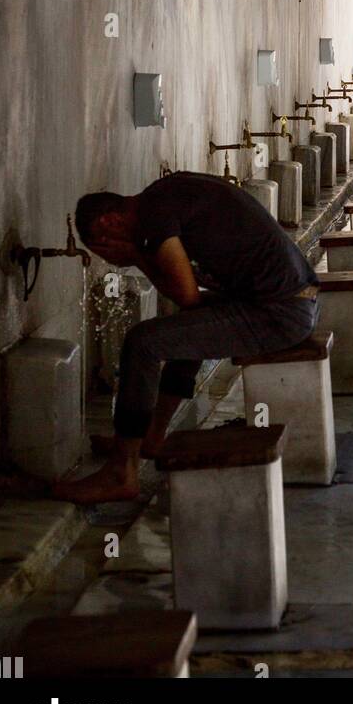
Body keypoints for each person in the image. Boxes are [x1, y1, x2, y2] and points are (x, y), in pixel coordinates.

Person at [51, 172, 320, 505]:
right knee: (186, 329)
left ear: (110, 222)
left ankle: (121, 472)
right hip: (292, 302)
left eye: (103, 249)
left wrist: (136, 256)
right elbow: (188, 297)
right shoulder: (163, 197)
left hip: (279, 313)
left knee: (143, 343)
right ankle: (151, 436)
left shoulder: (151, 217)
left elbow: (186, 295)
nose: (109, 261)